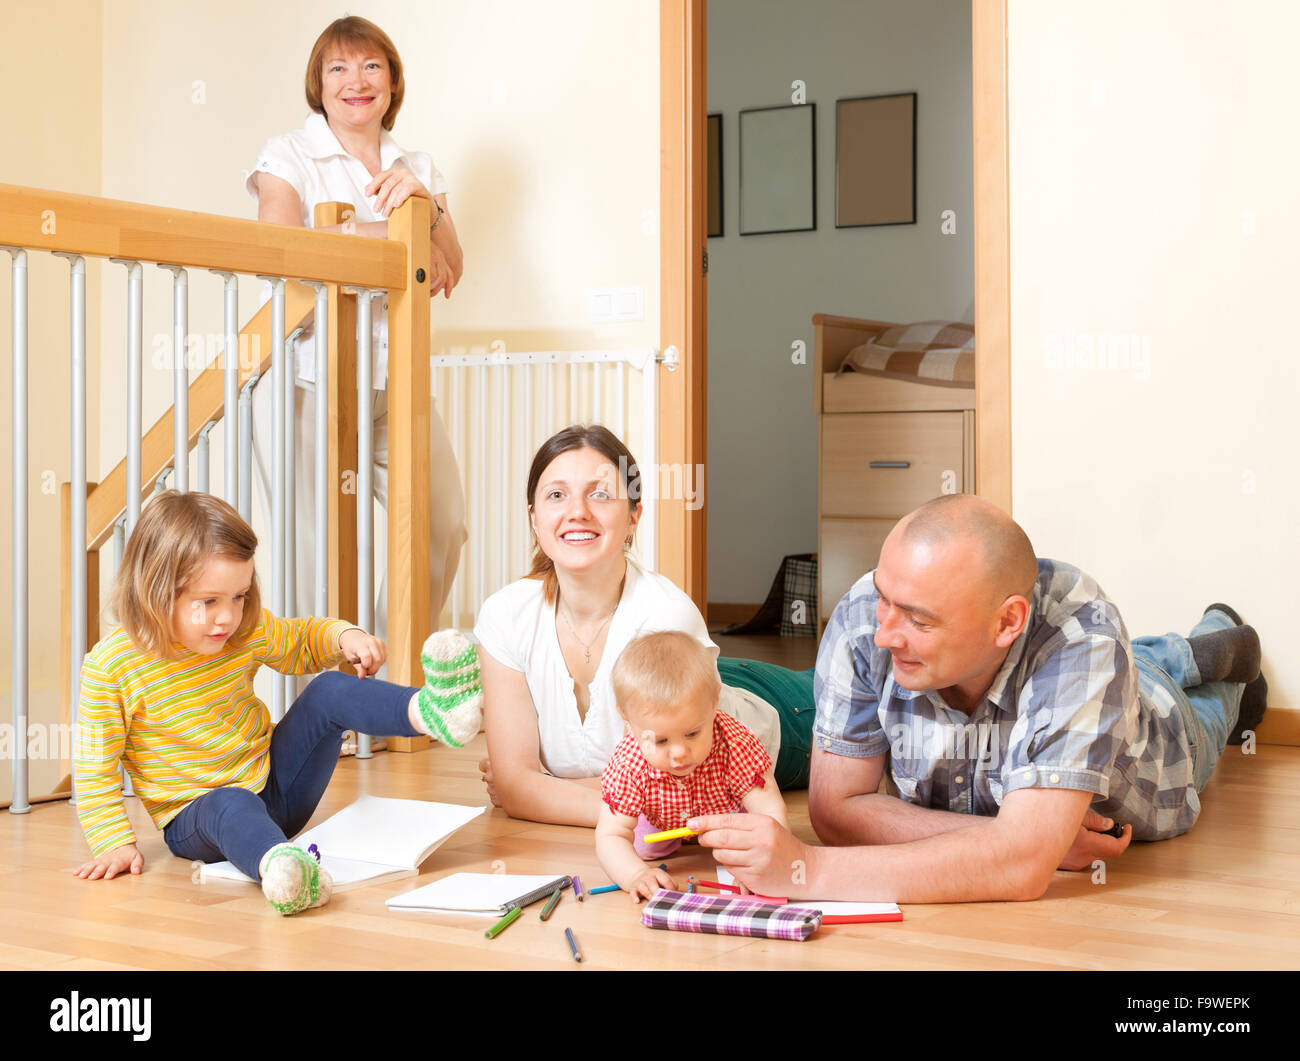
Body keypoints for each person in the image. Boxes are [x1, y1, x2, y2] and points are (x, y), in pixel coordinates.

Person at [688, 493, 1267, 903]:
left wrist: (806, 869)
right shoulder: (871, 610)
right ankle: (1170, 653)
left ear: (1006, 621)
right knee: (1124, 666)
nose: (884, 633)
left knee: (1205, 707)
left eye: (917, 618)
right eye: (886, 599)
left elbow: (1019, 871)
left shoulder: (1082, 634)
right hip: (1079, 688)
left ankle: (1211, 656)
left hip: (1162, 739)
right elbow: (836, 811)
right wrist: (1015, 840)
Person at [72, 491, 483, 916]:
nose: (228, 617)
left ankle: (430, 710)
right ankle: (284, 871)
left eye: (240, 596)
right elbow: (93, 764)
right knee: (229, 801)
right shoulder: (112, 666)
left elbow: (301, 639)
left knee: (326, 690)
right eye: (209, 601)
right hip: (199, 817)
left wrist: (345, 637)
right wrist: (114, 843)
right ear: (154, 589)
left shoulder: (240, 631)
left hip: (276, 788)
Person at [473, 424, 816, 828]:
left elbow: (684, 792)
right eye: (556, 495)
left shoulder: (668, 615)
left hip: (781, 713)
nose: (577, 511)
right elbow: (517, 790)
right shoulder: (505, 617)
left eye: (600, 494)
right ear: (534, 519)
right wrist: (526, 789)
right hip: (708, 676)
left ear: (634, 515)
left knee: (856, 695)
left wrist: (543, 790)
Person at [245, 15, 466, 633]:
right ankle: (326, 707)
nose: (356, 80)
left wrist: (418, 204)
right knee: (316, 554)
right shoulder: (287, 153)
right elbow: (282, 252)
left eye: (372, 66)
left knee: (441, 525)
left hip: (394, 381)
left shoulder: (416, 165)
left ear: (393, 82)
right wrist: (401, 227)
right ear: (318, 84)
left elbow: (449, 266)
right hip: (305, 379)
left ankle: (383, 681)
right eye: (338, 67)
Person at [595, 632, 789, 901]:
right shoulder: (629, 761)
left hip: (730, 813)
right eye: (661, 740)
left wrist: (761, 865)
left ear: (713, 703)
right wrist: (635, 875)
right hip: (662, 817)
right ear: (627, 720)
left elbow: (770, 812)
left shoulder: (736, 743)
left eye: (692, 734)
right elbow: (610, 835)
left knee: (743, 838)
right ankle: (662, 837)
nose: (679, 754)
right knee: (644, 849)